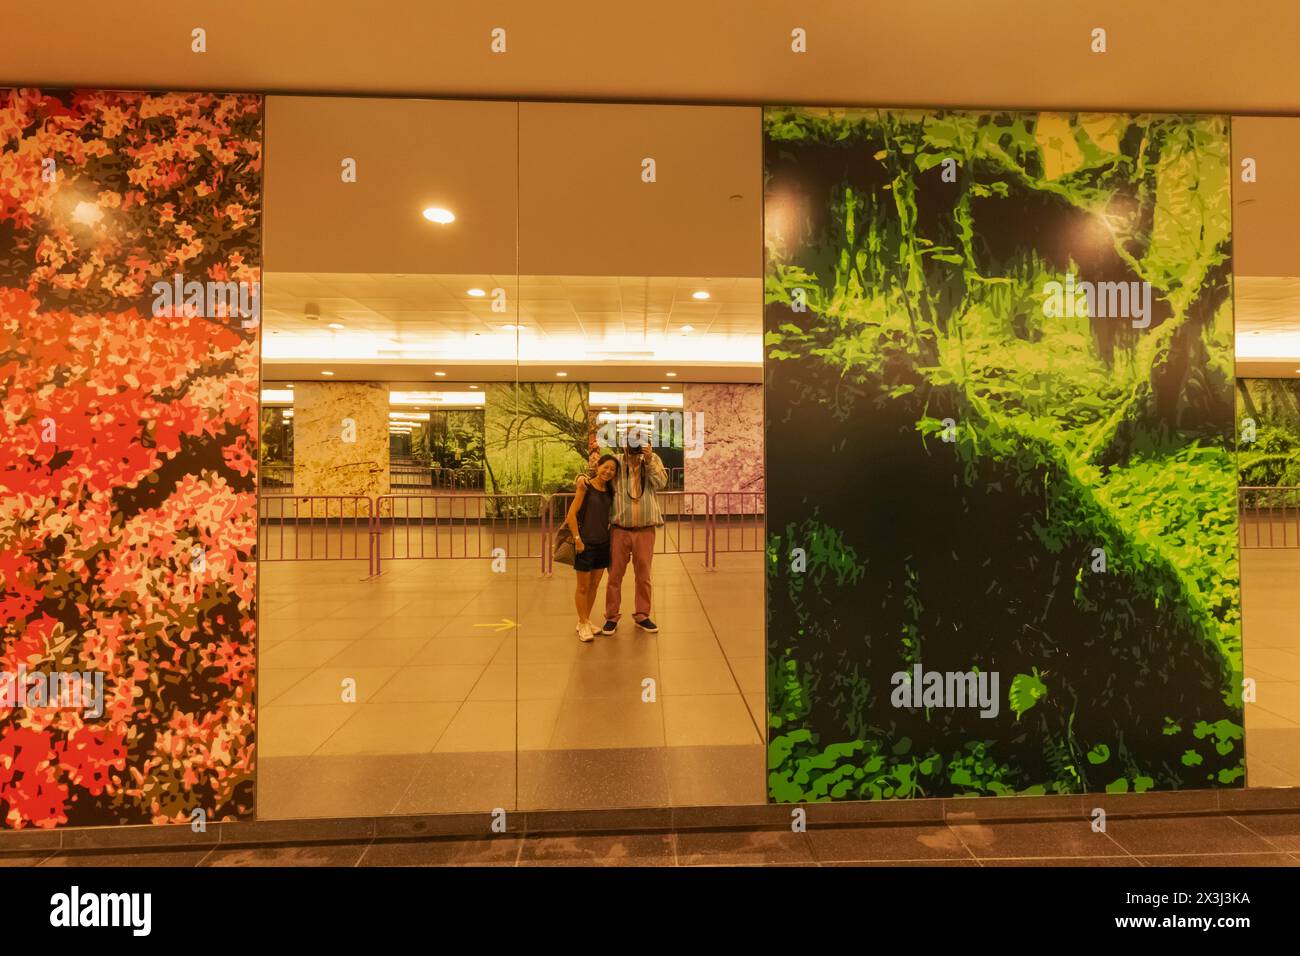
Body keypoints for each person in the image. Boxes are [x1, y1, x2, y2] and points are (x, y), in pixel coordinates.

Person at [599, 426, 666, 634]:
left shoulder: (652, 460)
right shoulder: (616, 462)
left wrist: (649, 461)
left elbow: (661, 483)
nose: (635, 445)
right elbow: (601, 477)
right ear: (624, 443)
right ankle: (611, 617)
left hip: (645, 529)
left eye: (639, 440)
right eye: (631, 440)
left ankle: (642, 615)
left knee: (643, 575)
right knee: (614, 576)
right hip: (619, 529)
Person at [564, 454, 618, 643]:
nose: (608, 471)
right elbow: (571, 515)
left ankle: (585, 621)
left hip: (603, 543)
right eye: (606, 467)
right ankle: (582, 622)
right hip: (585, 543)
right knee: (583, 586)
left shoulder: (610, 491)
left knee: (594, 585)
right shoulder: (585, 487)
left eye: (612, 469)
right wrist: (578, 539)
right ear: (598, 466)